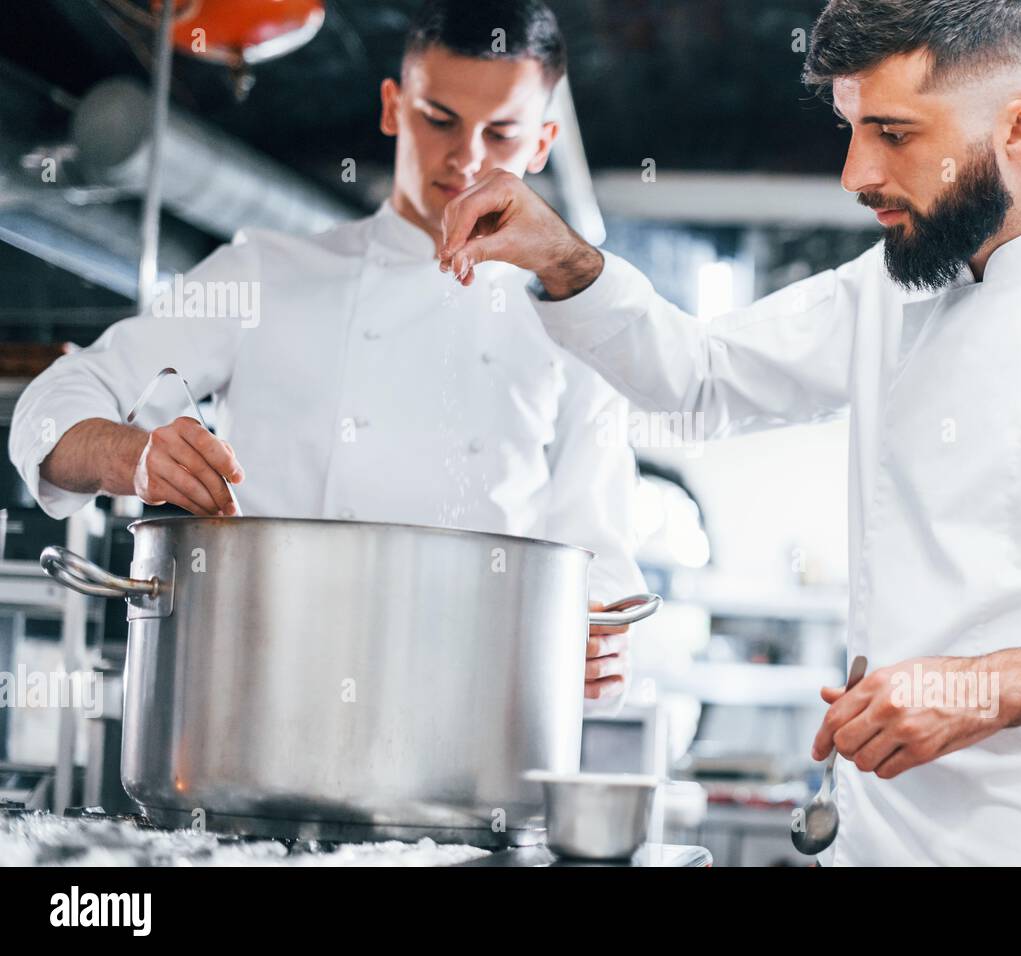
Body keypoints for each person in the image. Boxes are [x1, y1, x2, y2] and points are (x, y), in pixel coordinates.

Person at [434, 0, 1021, 863]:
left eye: (892, 132)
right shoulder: (892, 288)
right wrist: (563, 256)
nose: (855, 173)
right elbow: (699, 379)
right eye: (851, 127)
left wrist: (1007, 685)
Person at [9, 0, 642, 711]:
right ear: (392, 107)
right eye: (439, 119)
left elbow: (599, 565)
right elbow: (48, 407)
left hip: (465, 739)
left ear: (542, 143)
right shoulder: (264, 275)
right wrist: (134, 455)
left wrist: (600, 645)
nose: (466, 158)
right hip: (257, 716)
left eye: (500, 132)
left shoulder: (573, 322)